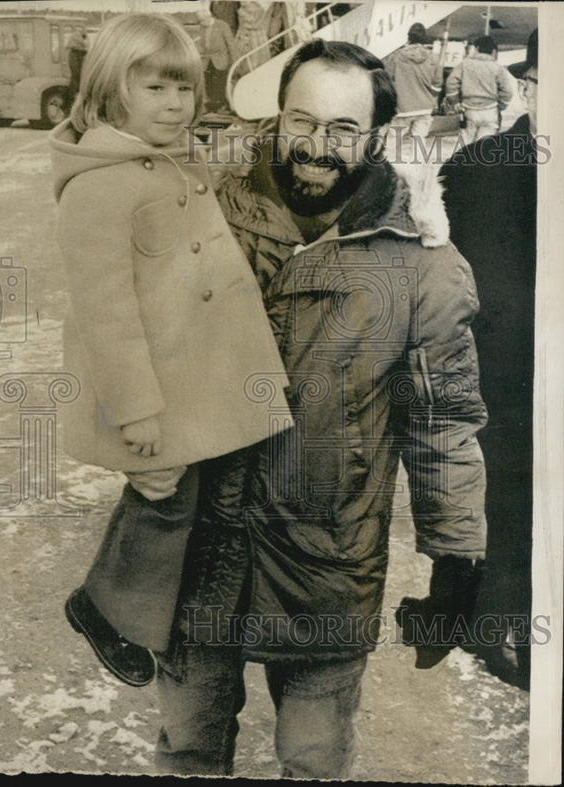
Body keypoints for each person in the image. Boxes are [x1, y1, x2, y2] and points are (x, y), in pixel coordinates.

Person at [153, 38, 488, 778]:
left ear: (374, 137)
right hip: (196, 551)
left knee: (314, 760)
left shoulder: (420, 264)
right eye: (301, 122)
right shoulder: (203, 216)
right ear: (276, 120)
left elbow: (444, 423)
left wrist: (456, 554)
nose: (316, 147)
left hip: (327, 568)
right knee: (185, 752)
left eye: (342, 131)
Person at [48, 13, 292, 688]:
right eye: (155, 88)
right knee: (164, 499)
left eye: (184, 88)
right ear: (108, 92)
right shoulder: (98, 185)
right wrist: (135, 413)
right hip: (150, 386)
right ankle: (106, 610)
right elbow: (106, 314)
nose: (176, 104)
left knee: (185, 502)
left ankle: (140, 613)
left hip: (200, 374)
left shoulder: (179, 158)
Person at [439, 29, 539, 691]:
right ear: (530, 84)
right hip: (514, 377)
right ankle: (504, 633)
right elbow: (489, 297)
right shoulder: (482, 168)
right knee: (514, 506)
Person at [443, 35, 513, 145]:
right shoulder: (497, 68)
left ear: (476, 48)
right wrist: (501, 106)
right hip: (490, 111)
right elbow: (507, 91)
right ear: (493, 51)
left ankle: (464, 161)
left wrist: (454, 101)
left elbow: (451, 82)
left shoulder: (464, 64)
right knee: (484, 147)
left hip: (468, 109)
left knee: (466, 144)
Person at [383, 23, 444, 144]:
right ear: (424, 39)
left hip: (402, 107)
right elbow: (437, 84)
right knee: (419, 141)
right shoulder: (433, 57)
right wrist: (431, 98)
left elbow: (386, 80)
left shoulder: (396, 57)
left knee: (392, 142)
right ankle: (419, 163)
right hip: (425, 107)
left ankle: (388, 162)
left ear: (408, 38)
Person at [195, 1, 238, 113]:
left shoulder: (222, 25)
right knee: (209, 83)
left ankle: (223, 106)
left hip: (221, 60)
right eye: (200, 21)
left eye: (202, 20)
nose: (201, 23)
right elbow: (201, 43)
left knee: (221, 83)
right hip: (207, 60)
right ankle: (211, 105)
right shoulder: (202, 27)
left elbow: (231, 45)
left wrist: (235, 62)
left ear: (208, 16)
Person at [65, 26, 88, 113]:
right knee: (76, 79)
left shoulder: (75, 37)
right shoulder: (78, 37)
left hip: (77, 55)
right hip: (77, 55)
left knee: (76, 79)